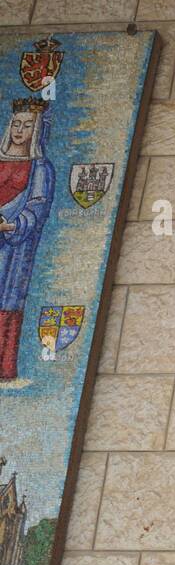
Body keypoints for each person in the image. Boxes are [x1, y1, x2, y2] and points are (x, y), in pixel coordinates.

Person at [0, 98, 54, 381]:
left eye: (27, 125)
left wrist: (14, 224)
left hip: (13, 248)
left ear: (37, 131)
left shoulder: (40, 168)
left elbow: (38, 205)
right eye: (16, 124)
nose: (20, 130)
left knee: (6, 301)